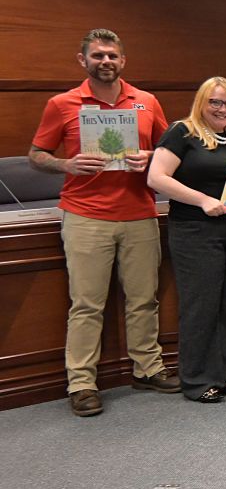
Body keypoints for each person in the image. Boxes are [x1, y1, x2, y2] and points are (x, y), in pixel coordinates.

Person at [29, 28, 180, 417]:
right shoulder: (63, 103)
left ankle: (147, 369)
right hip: (85, 216)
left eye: (112, 56)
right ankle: (81, 383)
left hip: (139, 214)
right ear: (84, 61)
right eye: (98, 56)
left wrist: (149, 156)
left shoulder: (146, 102)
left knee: (144, 299)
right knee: (86, 305)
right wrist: (66, 163)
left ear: (123, 61)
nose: (106, 62)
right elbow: (36, 153)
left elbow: (169, 149)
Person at [148, 77, 226, 403]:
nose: (222, 109)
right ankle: (198, 379)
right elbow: (156, 177)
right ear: (201, 103)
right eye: (215, 102)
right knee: (201, 306)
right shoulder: (182, 132)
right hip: (195, 230)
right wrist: (201, 199)